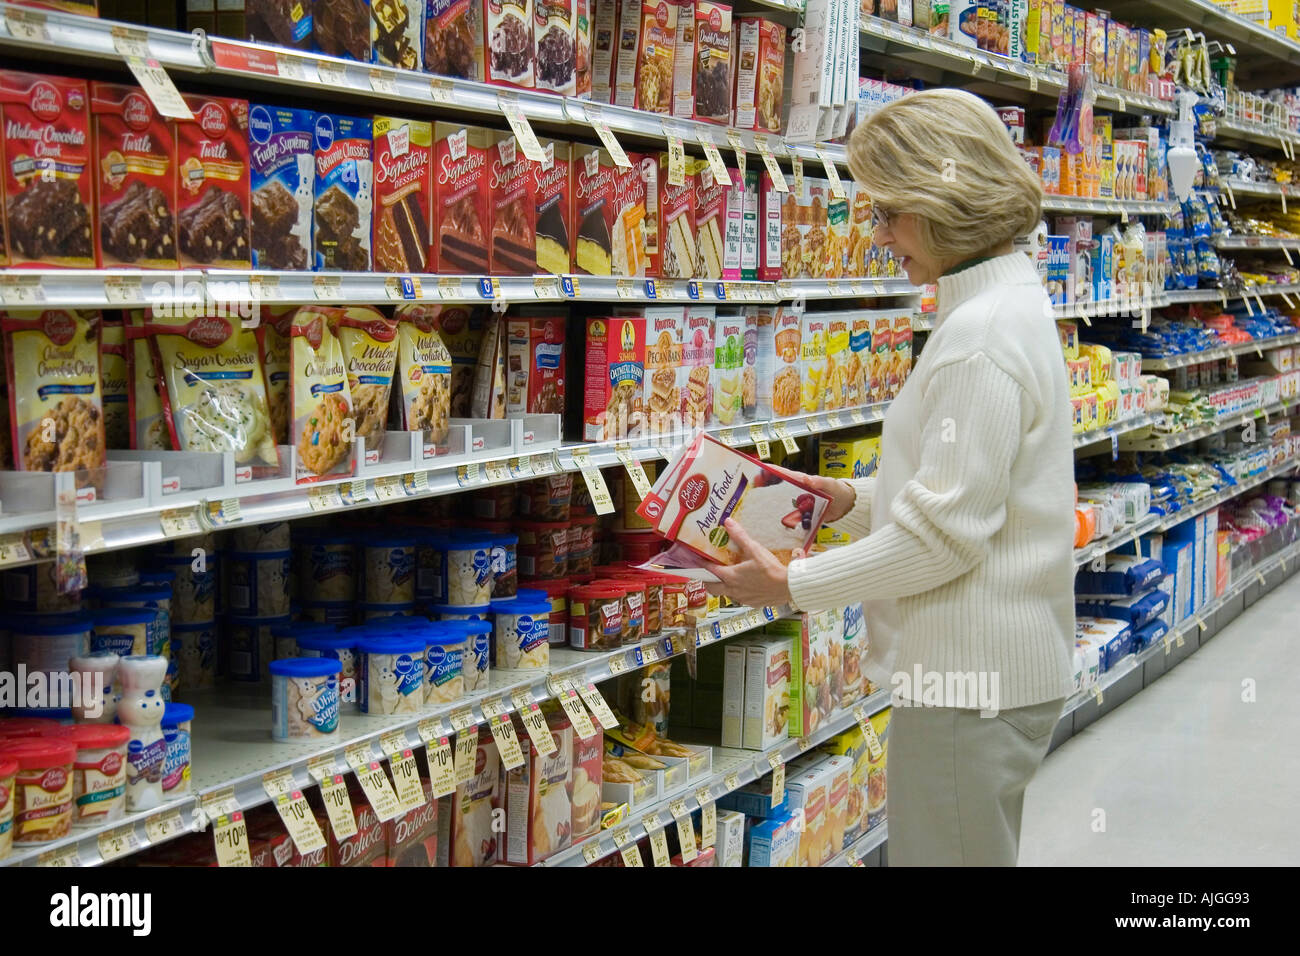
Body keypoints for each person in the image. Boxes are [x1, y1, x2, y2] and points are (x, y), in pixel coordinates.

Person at [702, 89, 1075, 866]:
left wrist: (791, 585)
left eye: (889, 213)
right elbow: (970, 493)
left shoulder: (979, 338)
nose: (879, 237)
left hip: (969, 682)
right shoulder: (1002, 303)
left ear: (944, 201)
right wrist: (842, 501)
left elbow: (942, 539)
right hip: (990, 674)